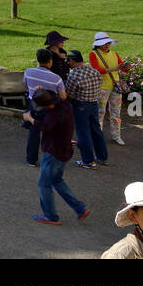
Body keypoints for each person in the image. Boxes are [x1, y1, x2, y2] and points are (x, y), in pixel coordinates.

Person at [24, 89, 89, 225]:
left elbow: (44, 126)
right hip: (64, 150)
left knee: (43, 184)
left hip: (53, 152)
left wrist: (30, 118)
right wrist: (40, 92)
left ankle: (50, 216)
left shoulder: (54, 114)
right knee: (57, 180)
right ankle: (80, 208)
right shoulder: (64, 105)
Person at [23, 47, 67, 167]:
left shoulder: (28, 72)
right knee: (50, 133)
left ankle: (31, 159)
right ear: (50, 61)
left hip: (33, 105)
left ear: (38, 59)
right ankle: (50, 159)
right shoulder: (56, 78)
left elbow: (26, 86)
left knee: (33, 132)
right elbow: (63, 96)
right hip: (49, 107)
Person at [66, 50, 108, 169]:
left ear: (72, 60)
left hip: (80, 105)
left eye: (68, 60)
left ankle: (88, 161)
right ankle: (102, 157)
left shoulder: (74, 75)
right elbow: (100, 83)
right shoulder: (94, 71)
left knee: (83, 132)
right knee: (96, 130)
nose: (68, 63)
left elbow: (69, 94)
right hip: (94, 103)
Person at [89, 31, 128, 146]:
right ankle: (98, 137)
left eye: (108, 43)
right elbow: (96, 70)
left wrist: (126, 67)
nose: (107, 45)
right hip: (102, 88)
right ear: (98, 44)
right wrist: (114, 69)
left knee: (116, 113)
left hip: (115, 88)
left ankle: (117, 136)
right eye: (104, 43)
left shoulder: (114, 54)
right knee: (99, 113)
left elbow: (123, 68)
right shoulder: (93, 54)